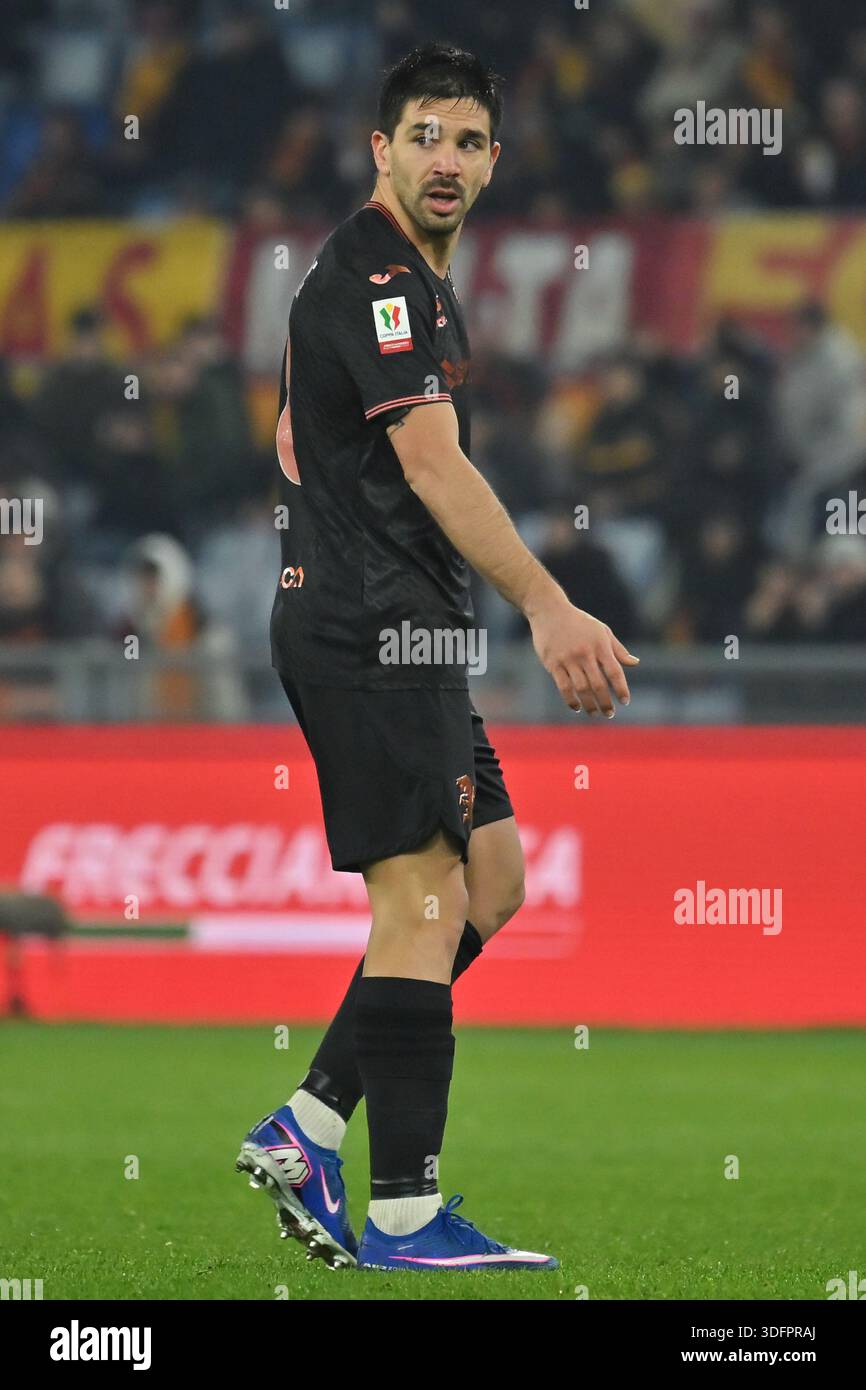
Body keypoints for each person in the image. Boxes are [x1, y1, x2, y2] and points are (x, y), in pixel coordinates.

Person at [235, 41, 638, 1275]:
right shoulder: (378, 279)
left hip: (402, 622)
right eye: (425, 137)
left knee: (492, 883)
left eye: (468, 141)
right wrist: (548, 603)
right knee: (418, 900)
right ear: (380, 147)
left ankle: (308, 1121)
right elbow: (432, 464)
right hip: (369, 624)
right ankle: (404, 1210)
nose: (446, 160)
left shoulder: (408, 275)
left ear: (493, 159)